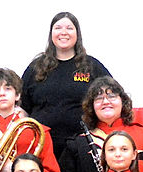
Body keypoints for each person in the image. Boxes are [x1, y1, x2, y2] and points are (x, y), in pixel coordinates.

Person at [21, 11, 112, 158]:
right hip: (42, 147)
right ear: (51, 34)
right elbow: (22, 107)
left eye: (69, 28)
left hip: (82, 148)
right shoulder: (35, 67)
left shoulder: (92, 66)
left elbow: (112, 100)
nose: (63, 32)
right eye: (58, 28)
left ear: (77, 34)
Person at [61, 77, 143, 172]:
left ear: (123, 102)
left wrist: (129, 163)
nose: (105, 102)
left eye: (111, 96)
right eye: (98, 98)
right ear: (92, 106)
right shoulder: (78, 142)